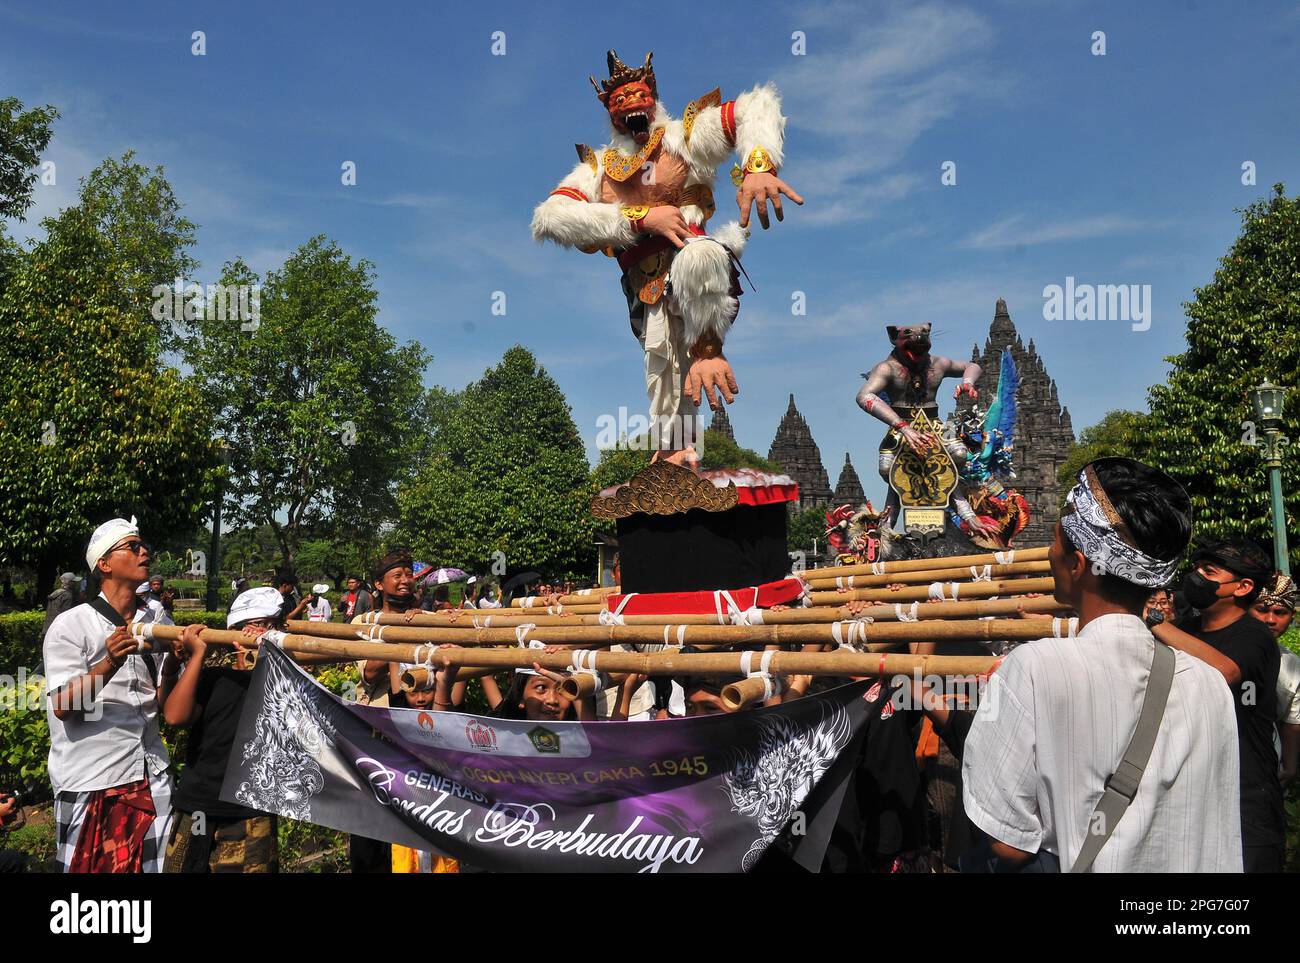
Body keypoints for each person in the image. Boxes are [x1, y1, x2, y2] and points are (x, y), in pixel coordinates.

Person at [962, 458, 1243, 872]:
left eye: (1056, 542)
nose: (1049, 553)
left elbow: (1011, 845)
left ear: (1078, 563)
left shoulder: (1034, 668)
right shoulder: (1209, 683)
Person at [43, 517, 175, 873]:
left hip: (151, 772)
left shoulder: (158, 617)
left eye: (143, 545)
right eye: (132, 547)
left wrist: (183, 658)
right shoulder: (71, 624)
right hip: (93, 778)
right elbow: (64, 706)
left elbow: (165, 702)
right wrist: (110, 663)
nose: (144, 551)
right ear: (104, 563)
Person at [1150, 538, 1282, 873]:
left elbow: (1226, 671)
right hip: (1193, 790)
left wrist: (1157, 624)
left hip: (1246, 797)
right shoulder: (1186, 629)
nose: (1196, 577)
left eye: (1209, 571)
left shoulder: (1254, 636)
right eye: (1196, 568)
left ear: (1243, 587)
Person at [160, 587, 281, 873]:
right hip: (197, 806)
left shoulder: (281, 681)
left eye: (264, 626)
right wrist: (196, 655)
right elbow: (175, 716)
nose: (253, 635)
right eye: (244, 629)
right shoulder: (213, 677)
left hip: (249, 813)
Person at [1249, 572, 1300, 783]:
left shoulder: (1293, 665)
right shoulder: (1219, 650)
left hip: (1265, 764)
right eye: (1262, 610)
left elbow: (1292, 721)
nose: (1270, 620)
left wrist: (1289, 768)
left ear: (1292, 618)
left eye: (1280, 612)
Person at [41, 572, 79, 641]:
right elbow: (66, 616)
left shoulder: (56, 593)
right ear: (69, 583)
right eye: (73, 582)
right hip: (58, 632)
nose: (75, 584)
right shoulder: (67, 595)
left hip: (47, 629)